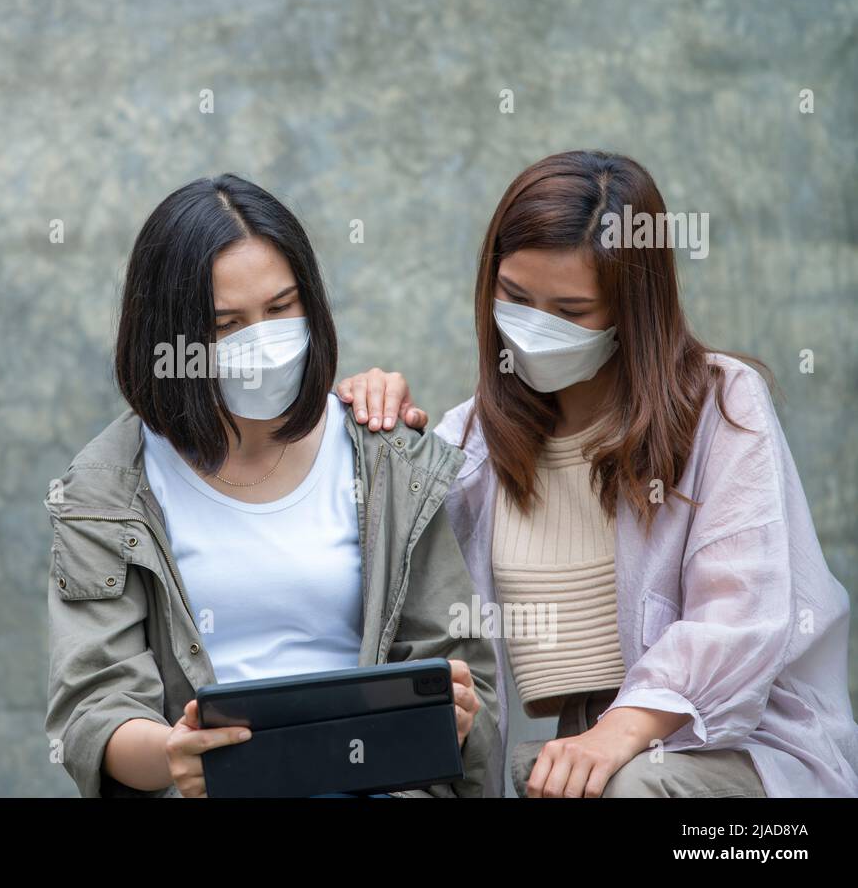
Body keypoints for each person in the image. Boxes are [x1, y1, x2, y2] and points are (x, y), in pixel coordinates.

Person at [339, 150, 858, 797]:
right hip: (572, 745)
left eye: (571, 311)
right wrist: (369, 424)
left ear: (631, 309)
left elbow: (739, 616)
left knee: (629, 786)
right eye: (517, 298)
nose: (535, 329)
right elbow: (398, 578)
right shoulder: (472, 441)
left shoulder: (721, 405)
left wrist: (620, 731)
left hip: (736, 745)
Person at [44, 173, 499, 797]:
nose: (262, 342)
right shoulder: (105, 494)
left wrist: (455, 715)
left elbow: (461, 667)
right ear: (166, 339)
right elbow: (94, 706)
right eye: (226, 324)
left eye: (281, 309)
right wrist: (178, 755)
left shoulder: (390, 461)